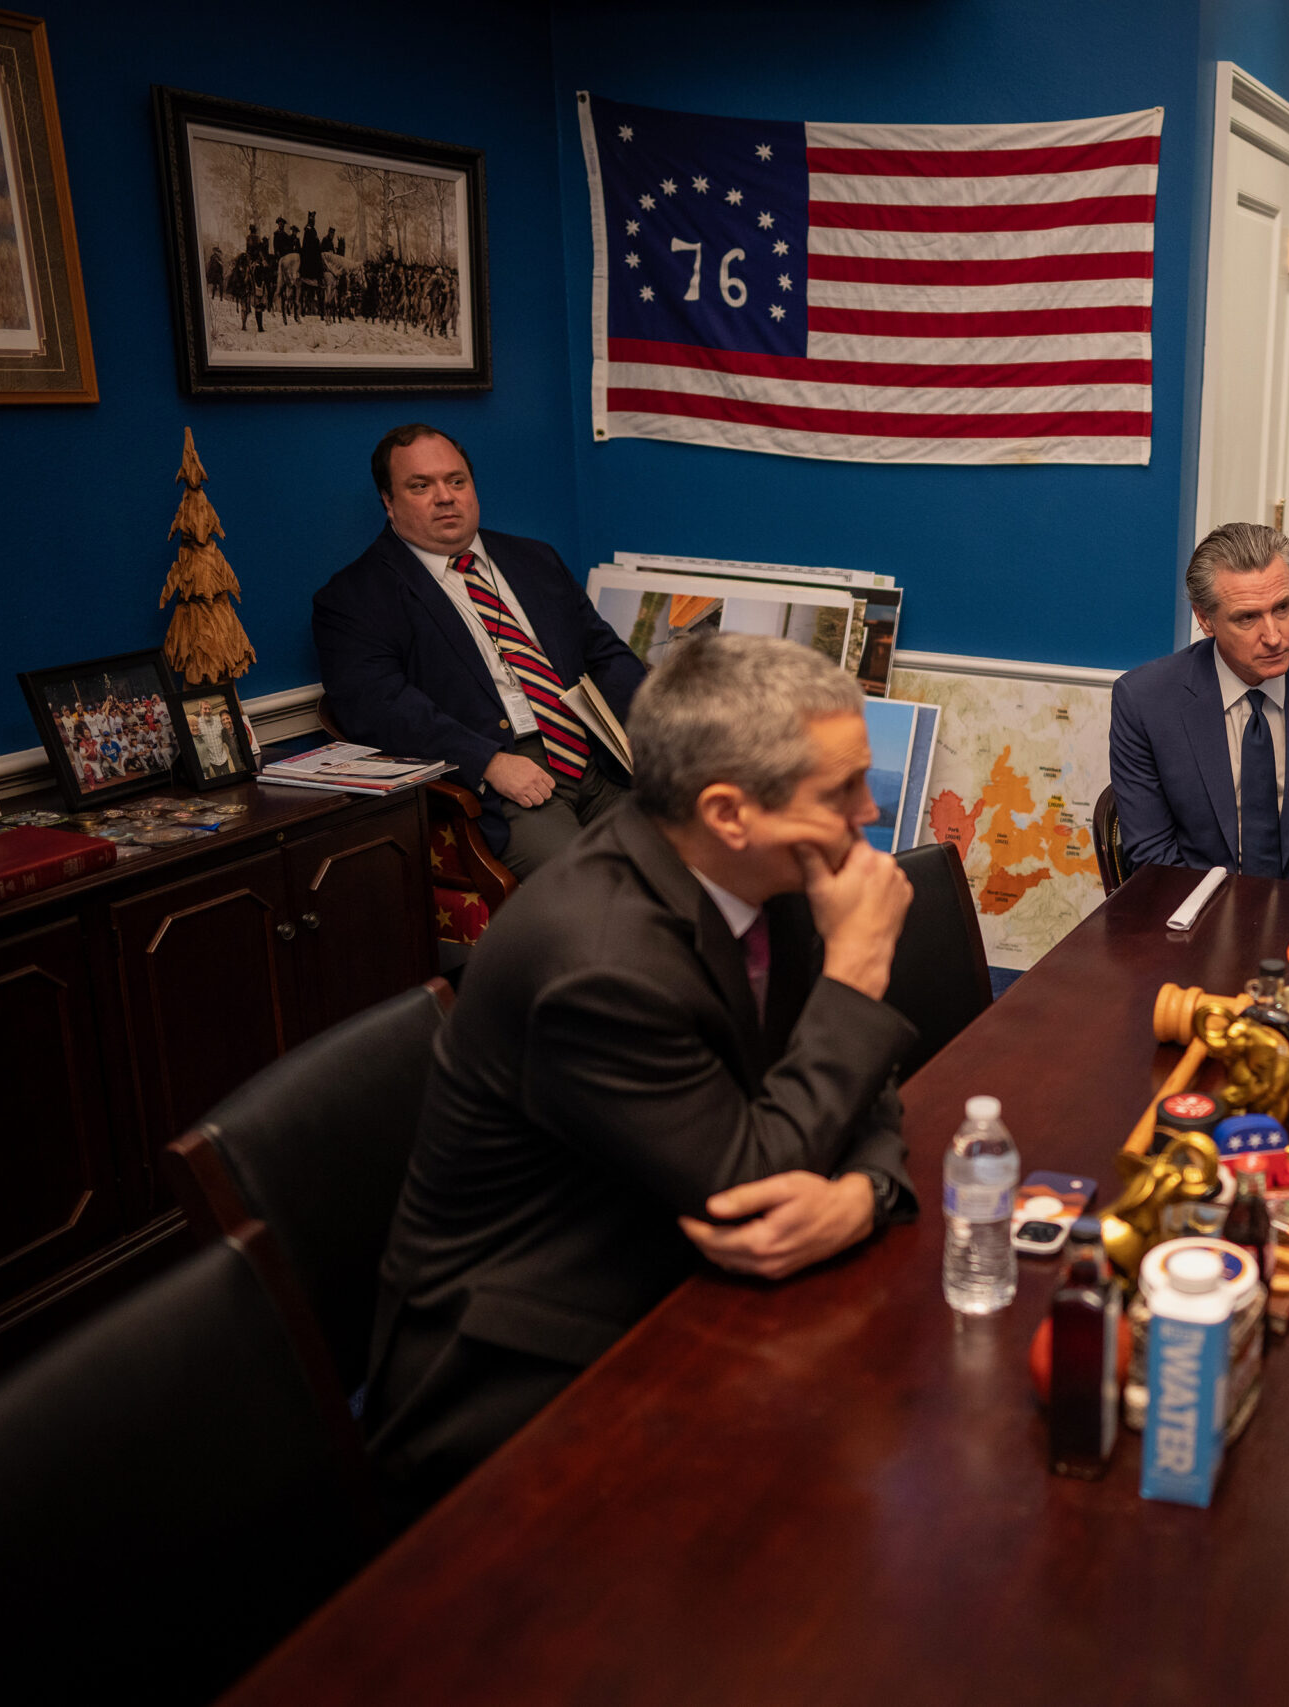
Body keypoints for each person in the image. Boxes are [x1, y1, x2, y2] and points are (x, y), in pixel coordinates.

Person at [362, 633, 920, 1521]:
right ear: (729, 810)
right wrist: (859, 970)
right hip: (531, 1384)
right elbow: (753, 1181)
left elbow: (858, 1074)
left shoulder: (761, 864)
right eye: (842, 789)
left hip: (681, 1276)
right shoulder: (599, 961)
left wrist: (862, 1193)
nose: (872, 810)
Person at [313, 423, 647, 876]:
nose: (445, 496)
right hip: (504, 778)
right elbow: (379, 707)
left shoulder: (536, 560)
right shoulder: (354, 597)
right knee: (588, 888)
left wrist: (653, 725)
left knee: (693, 852)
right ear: (388, 503)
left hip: (596, 755)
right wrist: (484, 760)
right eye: (420, 486)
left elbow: (604, 653)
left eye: (456, 481)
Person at [1108, 522, 1289, 888]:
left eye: (1282, 607)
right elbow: (1152, 855)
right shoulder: (1144, 702)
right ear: (1205, 620)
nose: (1274, 636)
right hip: (1197, 907)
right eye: (1247, 617)